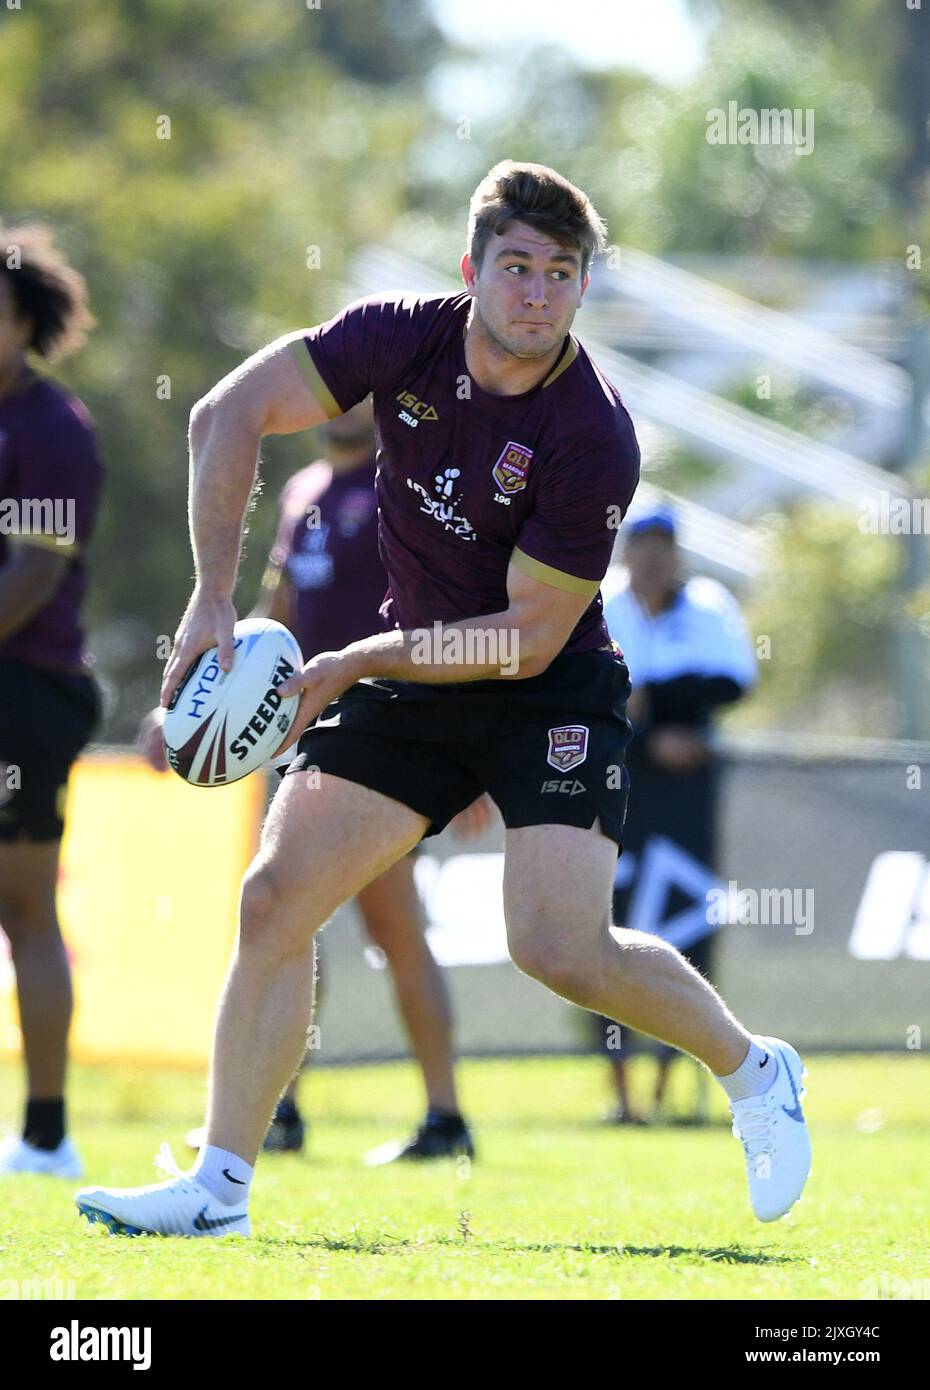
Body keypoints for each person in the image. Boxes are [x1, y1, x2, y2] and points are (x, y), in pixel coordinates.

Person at [75, 161, 810, 1237]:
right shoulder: (400, 337)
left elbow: (525, 637)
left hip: (546, 689)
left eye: (562, 273)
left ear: (581, 291)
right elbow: (224, 414)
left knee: (561, 948)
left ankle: (755, 1070)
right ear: (472, 271)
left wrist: (357, 660)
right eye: (516, 267)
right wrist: (212, 598)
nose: (537, 293)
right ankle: (217, 1189)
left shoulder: (593, 432)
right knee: (275, 900)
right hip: (413, 678)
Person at [138, 398, 480, 1162]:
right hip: (291, 737)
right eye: (336, 389)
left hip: (381, 735)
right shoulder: (303, 494)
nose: (344, 403)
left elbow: (447, 614)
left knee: (394, 932)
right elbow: (271, 614)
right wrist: (188, 704)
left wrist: (472, 751)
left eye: (360, 389)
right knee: (283, 915)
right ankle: (278, 1110)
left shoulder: (406, 486)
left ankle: (446, 1117)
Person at [595, 507, 757, 1125]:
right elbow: (612, 691)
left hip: (687, 790)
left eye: (664, 546)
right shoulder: (606, 601)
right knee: (608, 923)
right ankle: (621, 1095)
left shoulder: (707, 604)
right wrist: (655, 726)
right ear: (626, 550)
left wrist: (661, 711)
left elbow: (731, 680)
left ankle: (667, 1088)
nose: (653, 559)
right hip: (619, 784)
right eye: (643, 545)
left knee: (684, 923)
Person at [0, 224, 103, 1179]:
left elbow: (31, 578)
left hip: (22, 695)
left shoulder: (51, 430)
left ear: (23, 321)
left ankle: (45, 1133)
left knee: (24, 909)